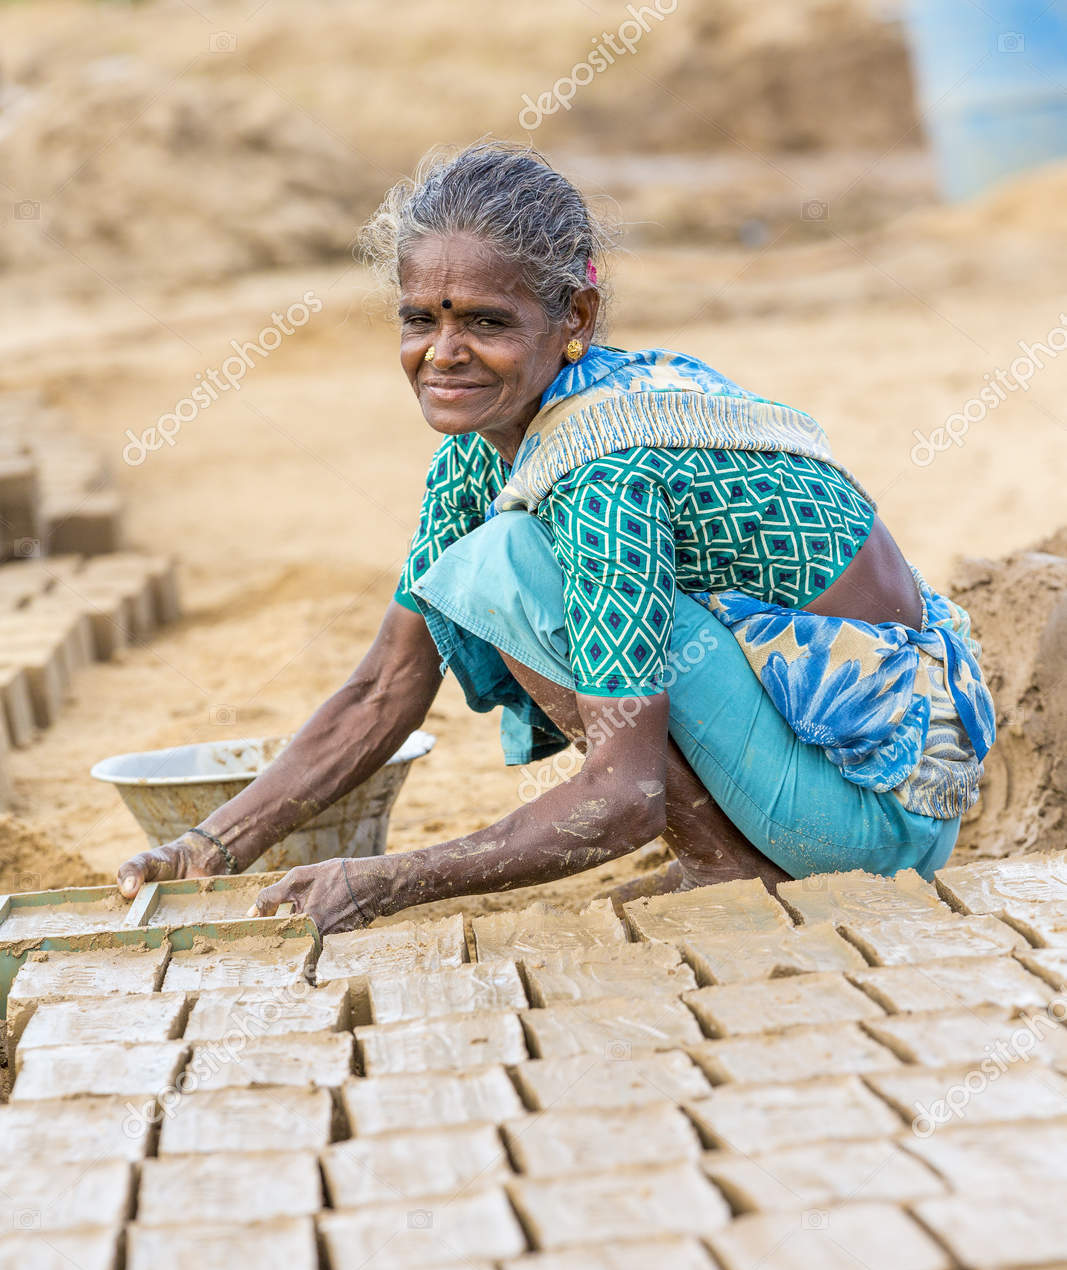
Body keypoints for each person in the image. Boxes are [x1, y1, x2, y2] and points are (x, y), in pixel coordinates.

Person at [117, 142, 995, 934]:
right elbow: (388, 683)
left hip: (874, 812)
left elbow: (623, 797)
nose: (444, 352)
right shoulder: (487, 448)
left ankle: (731, 872)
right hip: (816, 769)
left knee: (506, 567)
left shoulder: (602, 461)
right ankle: (732, 860)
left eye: (487, 323)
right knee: (493, 564)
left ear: (574, 318)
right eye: (420, 319)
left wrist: (385, 881)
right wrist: (211, 844)